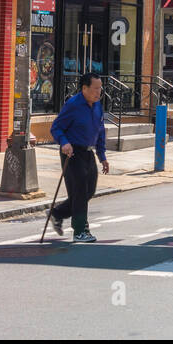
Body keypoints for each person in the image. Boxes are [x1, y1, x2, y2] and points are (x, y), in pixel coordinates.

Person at [50, 71, 110, 243]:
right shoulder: (73, 104)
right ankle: (80, 231)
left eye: (100, 88)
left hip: (88, 152)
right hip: (72, 152)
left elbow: (100, 131)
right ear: (84, 88)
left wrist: (102, 155)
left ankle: (57, 213)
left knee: (89, 191)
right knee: (80, 192)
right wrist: (64, 142)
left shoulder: (98, 105)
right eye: (95, 88)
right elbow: (56, 128)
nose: (99, 92)